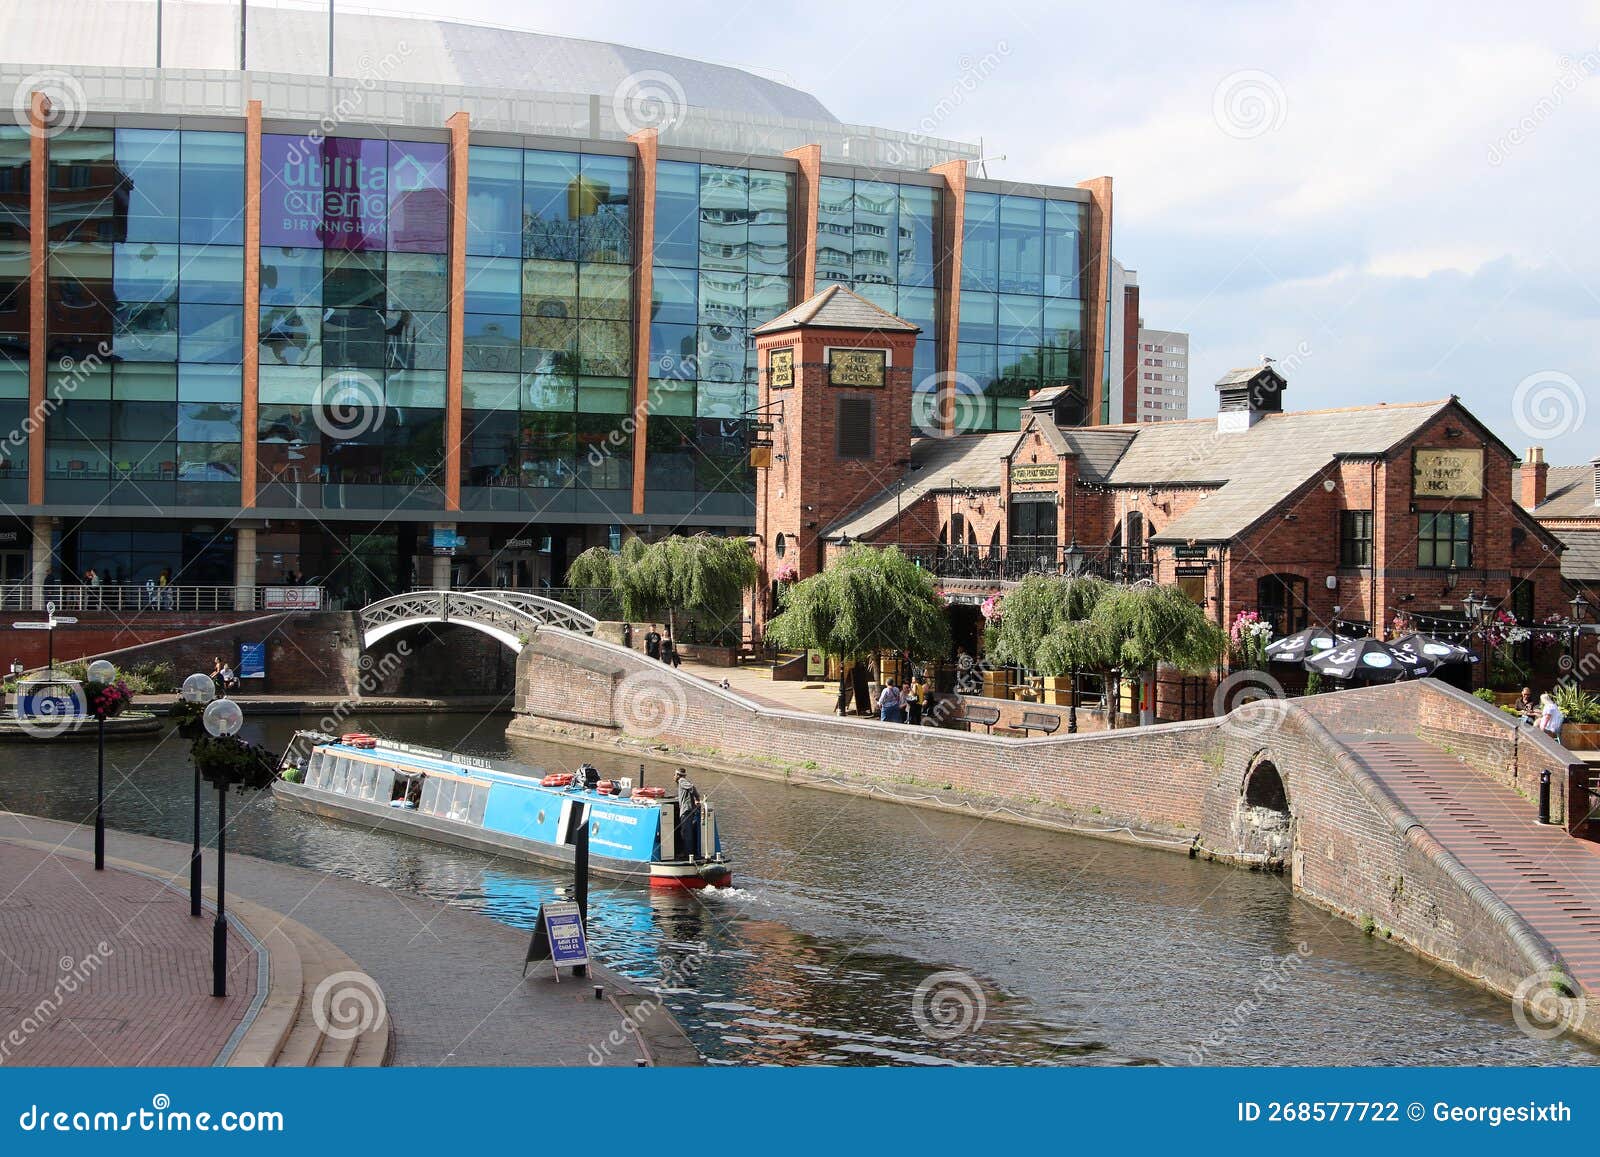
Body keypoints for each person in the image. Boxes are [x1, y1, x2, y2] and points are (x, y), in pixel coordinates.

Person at [674, 768, 702, 859]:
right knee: (686, 831)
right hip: (688, 810)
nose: (674, 776)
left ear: (678, 775)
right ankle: (688, 853)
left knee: (686, 832)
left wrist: (697, 799)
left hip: (686, 810)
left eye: (675, 774)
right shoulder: (682, 783)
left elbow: (692, 787)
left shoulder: (682, 781)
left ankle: (687, 854)